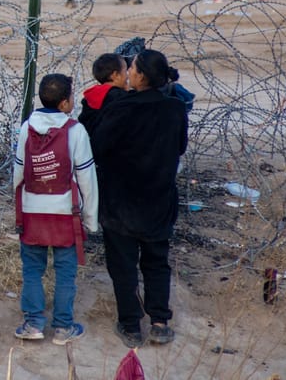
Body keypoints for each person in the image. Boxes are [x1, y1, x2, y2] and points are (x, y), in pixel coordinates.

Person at [88, 49, 188, 348]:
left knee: (123, 265)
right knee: (157, 262)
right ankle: (159, 322)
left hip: (121, 201)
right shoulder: (174, 108)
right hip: (158, 198)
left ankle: (131, 325)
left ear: (142, 75)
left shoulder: (122, 108)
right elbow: (180, 147)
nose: (128, 71)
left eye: (131, 67)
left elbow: (98, 148)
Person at [12, 73, 98, 345]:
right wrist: (91, 219)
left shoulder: (27, 127)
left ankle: (33, 323)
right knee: (65, 272)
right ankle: (63, 327)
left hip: (32, 211)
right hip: (65, 213)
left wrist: (20, 208)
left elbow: (18, 172)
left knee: (32, 269)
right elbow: (87, 179)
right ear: (64, 103)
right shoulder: (76, 130)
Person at [77, 52, 128, 134]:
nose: (127, 76)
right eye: (125, 71)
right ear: (115, 75)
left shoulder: (90, 96)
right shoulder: (120, 97)